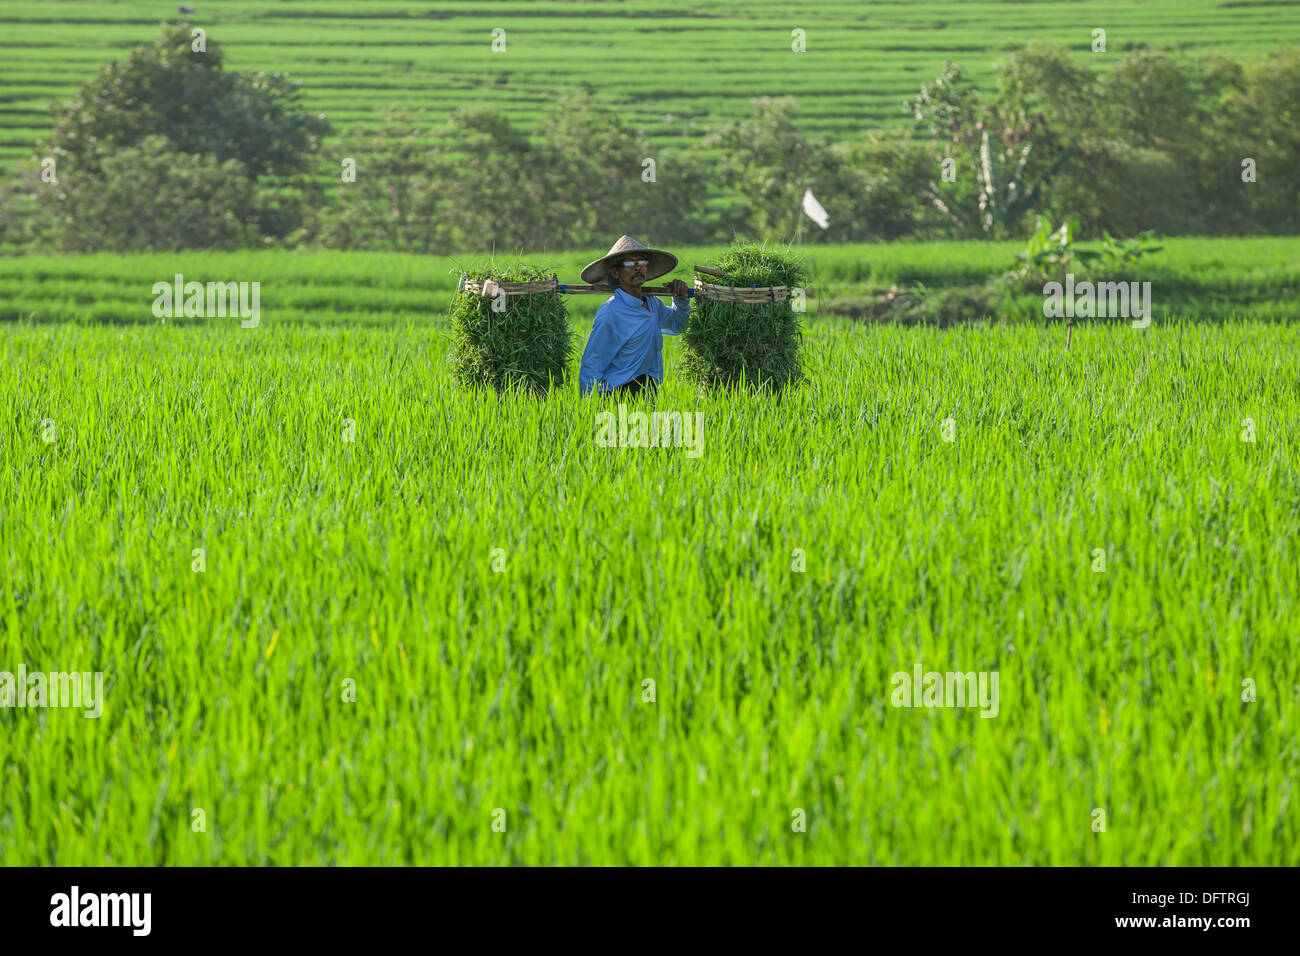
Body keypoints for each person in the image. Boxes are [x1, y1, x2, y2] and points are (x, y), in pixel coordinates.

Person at [577, 235, 691, 397]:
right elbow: (592, 362)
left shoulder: (652, 304)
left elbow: (678, 325)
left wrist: (680, 299)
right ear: (616, 273)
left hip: (647, 390)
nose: (637, 268)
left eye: (641, 262)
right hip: (618, 392)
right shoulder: (611, 312)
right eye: (630, 263)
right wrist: (587, 408)